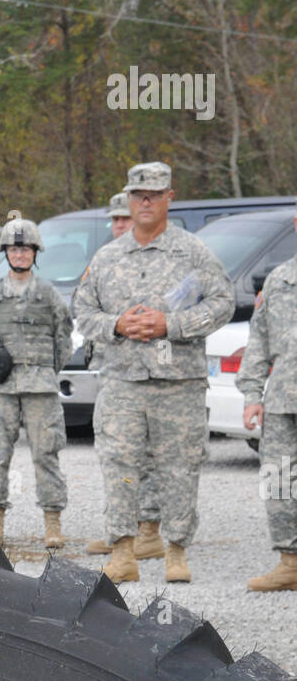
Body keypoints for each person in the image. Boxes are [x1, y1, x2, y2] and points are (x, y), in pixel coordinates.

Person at [73, 162, 234, 584]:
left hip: (178, 382)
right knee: (119, 464)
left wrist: (171, 325)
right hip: (123, 381)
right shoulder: (107, 257)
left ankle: (175, 551)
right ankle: (124, 552)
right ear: (128, 198)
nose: (145, 202)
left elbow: (222, 303)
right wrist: (117, 325)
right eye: (138, 195)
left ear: (169, 198)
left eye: (154, 194)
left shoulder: (193, 252)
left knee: (181, 466)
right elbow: (83, 310)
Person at [0, 210, 73, 551]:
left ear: (35, 253)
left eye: (26, 249)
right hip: (0, 388)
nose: (20, 254)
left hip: (40, 387)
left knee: (47, 454)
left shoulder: (49, 295)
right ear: (6, 255)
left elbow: (64, 340)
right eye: (14, 250)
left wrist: (46, 370)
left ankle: (52, 523)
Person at [86, 190, 164, 562]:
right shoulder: (104, 262)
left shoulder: (154, 262)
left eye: (125, 219)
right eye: (115, 220)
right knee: (114, 451)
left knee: (147, 452)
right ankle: (121, 528)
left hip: (150, 373)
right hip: (113, 371)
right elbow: (86, 312)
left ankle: (148, 530)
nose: (120, 225)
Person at [237, 201, 297, 590]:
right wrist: (252, 394)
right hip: (282, 401)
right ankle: (290, 562)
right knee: (278, 480)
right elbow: (258, 341)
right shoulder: (280, 279)